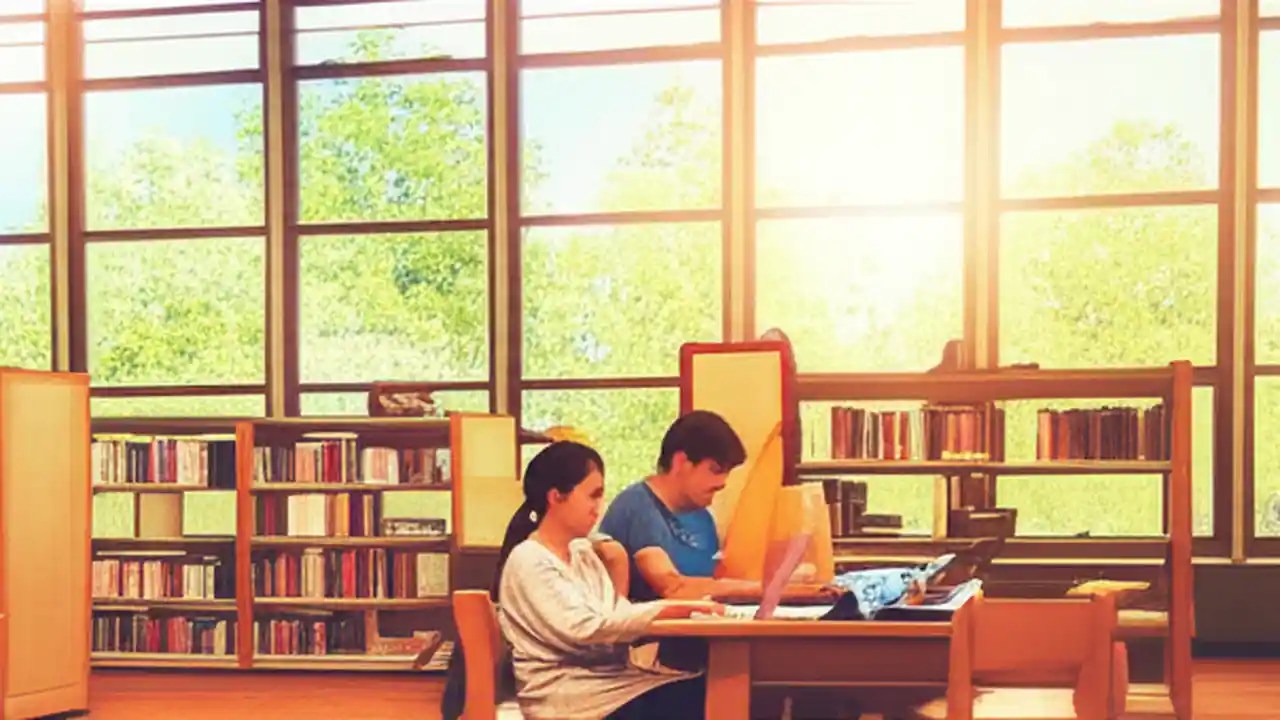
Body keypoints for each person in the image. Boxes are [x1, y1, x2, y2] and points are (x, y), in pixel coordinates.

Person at [495, 441, 723, 720]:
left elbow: (614, 614)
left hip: (606, 687)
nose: (597, 508)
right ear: (556, 497)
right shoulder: (529, 560)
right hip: (571, 699)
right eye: (593, 495)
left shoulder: (582, 554)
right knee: (706, 696)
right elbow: (585, 628)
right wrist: (666, 608)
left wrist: (682, 608)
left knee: (711, 686)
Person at [599, 410, 824, 602]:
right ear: (681, 463)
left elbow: (716, 584)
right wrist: (773, 589)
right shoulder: (638, 508)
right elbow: (674, 588)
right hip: (652, 646)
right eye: (715, 470)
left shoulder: (702, 517)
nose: (723, 482)